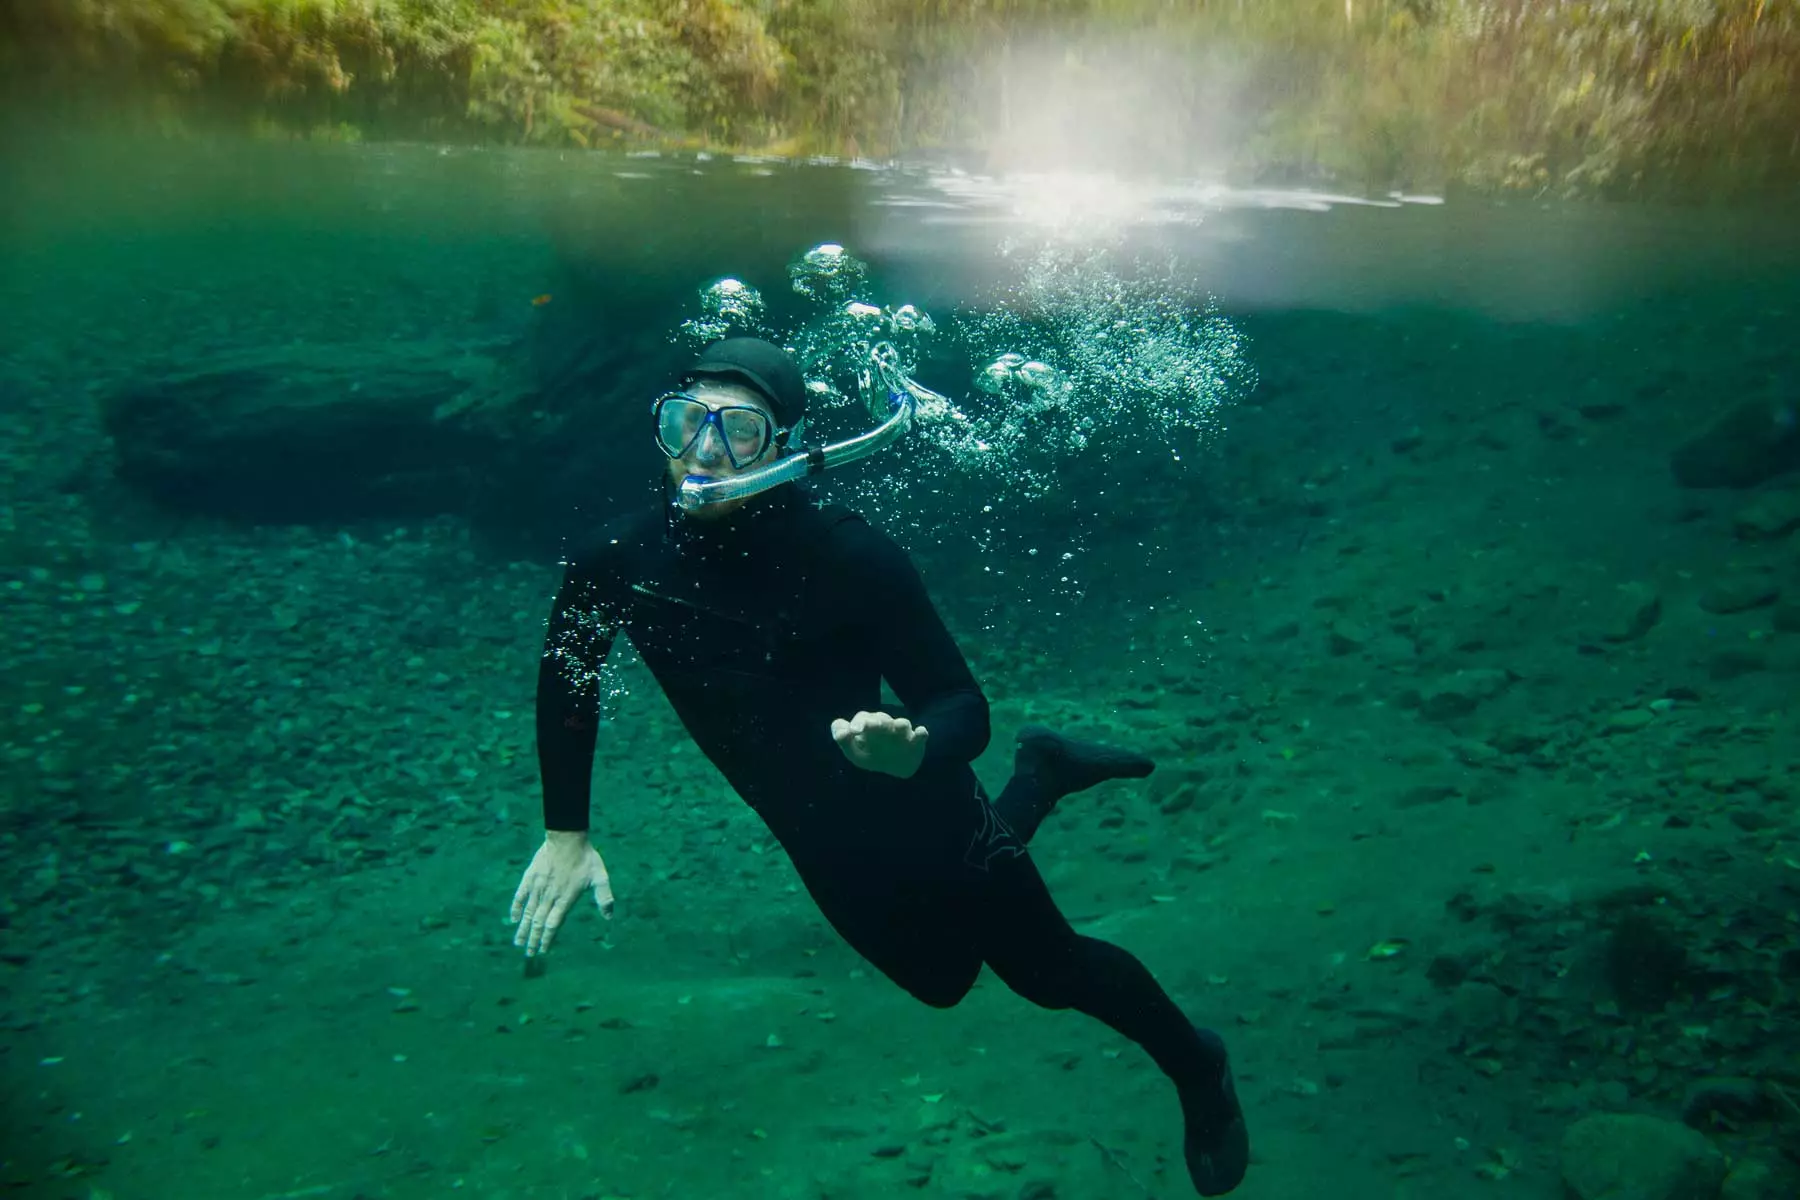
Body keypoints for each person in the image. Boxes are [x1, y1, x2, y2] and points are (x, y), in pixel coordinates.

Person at [511, 336, 1249, 1195]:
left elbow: (961, 704)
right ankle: (1042, 774)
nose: (706, 452)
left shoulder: (849, 555)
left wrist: (918, 750)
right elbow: (567, 683)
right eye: (685, 423)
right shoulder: (614, 562)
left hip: (920, 800)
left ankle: (1200, 1069)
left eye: (739, 430)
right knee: (941, 980)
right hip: (812, 833)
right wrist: (567, 830)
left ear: (783, 443)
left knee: (1048, 973)